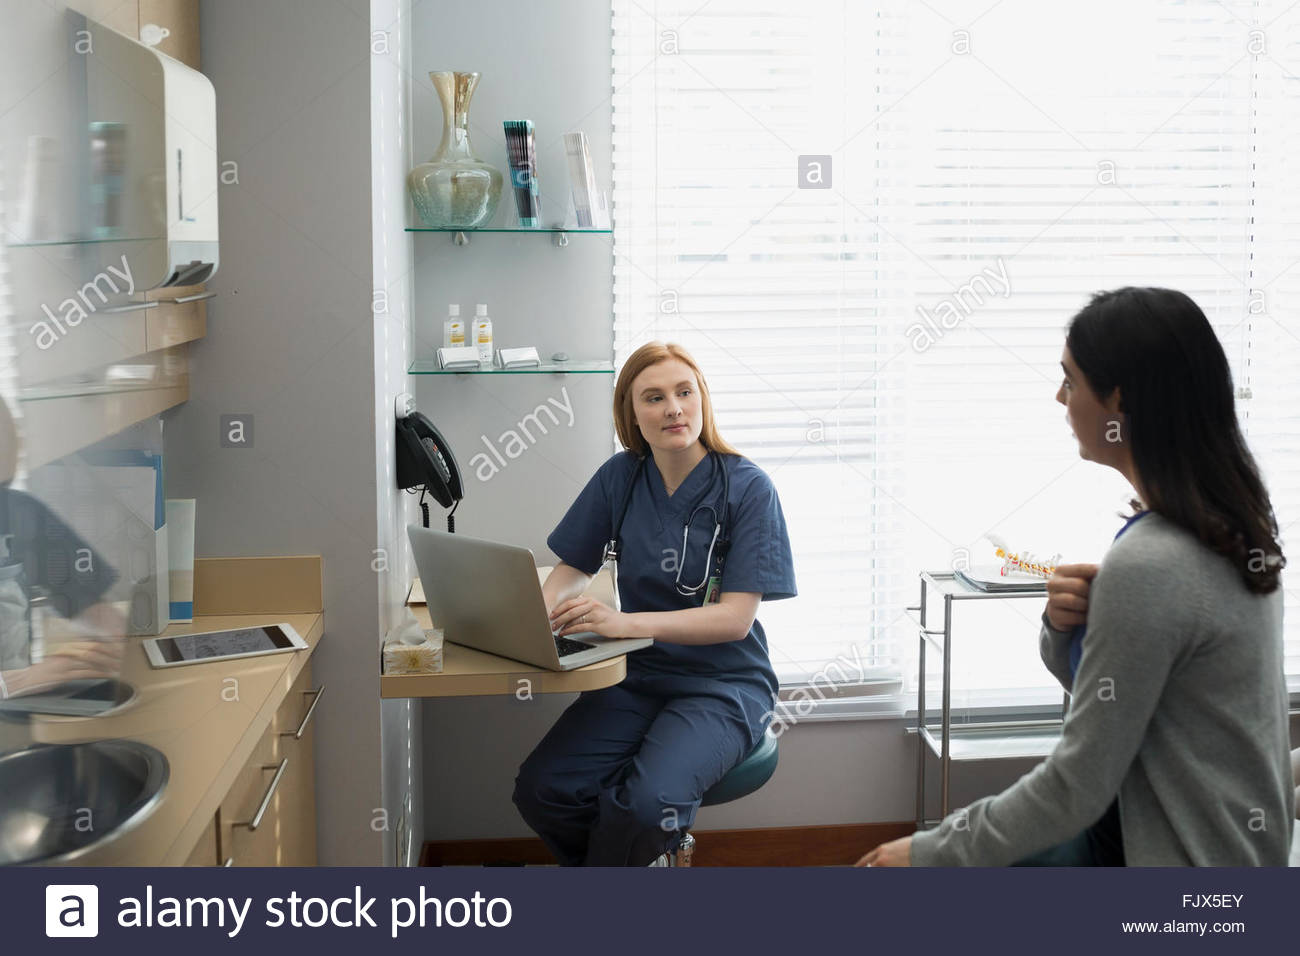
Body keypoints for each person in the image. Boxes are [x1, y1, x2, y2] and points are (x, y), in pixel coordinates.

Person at [858, 287, 1294, 867]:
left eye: (1070, 380)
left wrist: (926, 852)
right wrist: (1062, 628)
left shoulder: (1153, 562)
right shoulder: (1232, 529)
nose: (1059, 397)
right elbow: (1124, 700)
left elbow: (1075, 785)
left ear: (1118, 399)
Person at [512, 342, 797, 865]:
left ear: (702, 401)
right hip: (637, 677)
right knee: (543, 788)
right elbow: (574, 565)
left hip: (723, 685)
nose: (673, 408)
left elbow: (735, 619)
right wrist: (532, 615)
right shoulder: (621, 478)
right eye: (654, 397)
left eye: (685, 392)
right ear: (632, 414)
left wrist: (622, 624)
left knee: (646, 808)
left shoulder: (749, 488)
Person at [0, 397, 124, 701]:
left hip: (17, 716)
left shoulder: (20, 512)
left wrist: (110, 649)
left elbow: (95, 607)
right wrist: (12, 684)